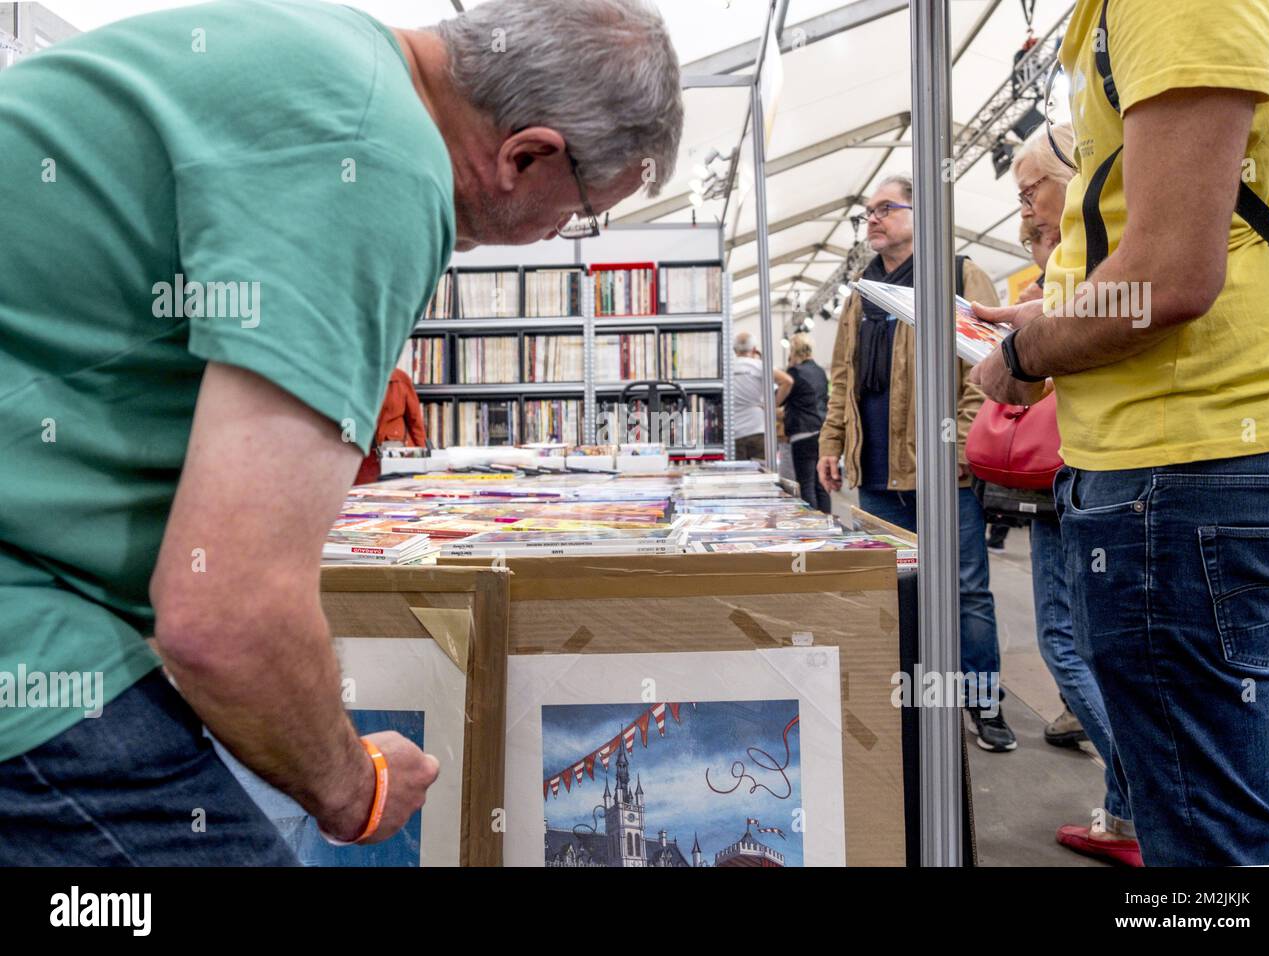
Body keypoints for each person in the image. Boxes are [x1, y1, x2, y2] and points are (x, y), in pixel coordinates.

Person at [0, 0, 683, 864]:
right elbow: (228, 618)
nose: (559, 236)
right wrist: (354, 788)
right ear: (528, 154)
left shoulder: (329, 52)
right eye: (582, 213)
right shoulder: (380, 161)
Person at [971, 0, 1269, 865]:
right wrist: (1054, 306)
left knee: (1204, 839)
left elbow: (1168, 273)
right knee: (1204, 812)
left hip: (1186, 451)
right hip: (1198, 449)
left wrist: (1027, 353)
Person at [817, 174, 1016, 753]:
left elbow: (986, 364)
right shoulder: (861, 294)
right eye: (867, 212)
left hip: (939, 468)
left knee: (965, 589)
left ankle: (984, 703)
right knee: (896, 587)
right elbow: (843, 378)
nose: (872, 219)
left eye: (885, 209)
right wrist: (833, 442)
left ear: (919, 212)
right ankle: (909, 703)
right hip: (876, 473)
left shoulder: (956, 274)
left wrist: (960, 443)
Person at [1010, 127, 1141, 867]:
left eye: (1032, 192)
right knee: (1096, 646)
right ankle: (1128, 808)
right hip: (1085, 470)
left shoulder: (1104, 251)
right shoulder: (1065, 258)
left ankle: (1136, 799)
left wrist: (1020, 351)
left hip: (1094, 468)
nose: (1025, 209)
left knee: (1074, 642)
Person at [780, 333, 830, 512]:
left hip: (802, 432)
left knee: (806, 484)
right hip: (822, 430)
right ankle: (827, 523)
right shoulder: (820, 371)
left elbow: (781, 400)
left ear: (794, 351)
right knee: (822, 484)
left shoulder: (794, 373)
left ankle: (814, 527)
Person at [732, 331, 794, 462]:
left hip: (734, 433)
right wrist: (772, 405)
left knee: (737, 477)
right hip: (758, 431)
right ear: (754, 349)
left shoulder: (727, 368)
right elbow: (787, 381)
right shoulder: (760, 366)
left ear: (734, 350)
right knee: (762, 476)